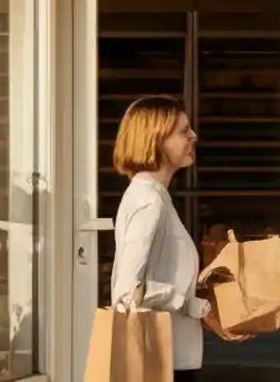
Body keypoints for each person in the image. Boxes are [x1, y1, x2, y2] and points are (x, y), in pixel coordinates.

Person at [109, 95, 211, 382]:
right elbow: (127, 290)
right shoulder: (149, 202)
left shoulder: (152, 196)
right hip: (161, 362)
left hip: (166, 357)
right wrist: (187, 303)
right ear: (157, 139)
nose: (193, 136)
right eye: (183, 131)